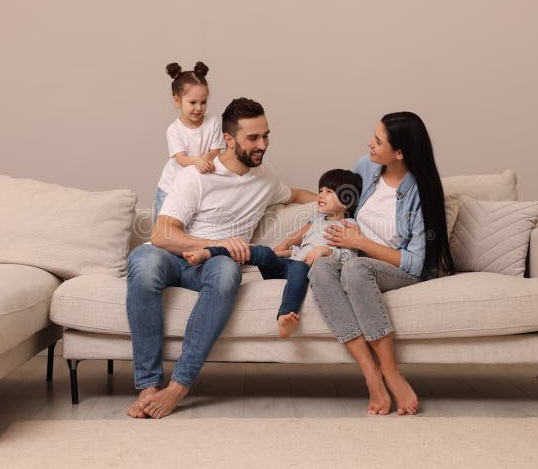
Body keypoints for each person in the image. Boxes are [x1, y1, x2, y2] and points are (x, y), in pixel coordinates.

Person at [126, 98, 316, 419]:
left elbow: (296, 195)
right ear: (228, 139)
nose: (263, 145)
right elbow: (162, 234)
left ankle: (178, 386)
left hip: (214, 265)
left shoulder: (264, 178)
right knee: (143, 262)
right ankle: (148, 386)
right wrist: (217, 243)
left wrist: (337, 204)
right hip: (175, 256)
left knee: (229, 272)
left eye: (266, 136)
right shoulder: (198, 175)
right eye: (253, 138)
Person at [309, 112, 455, 416]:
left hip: (396, 270)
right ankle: (370, 373)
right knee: (321, 268)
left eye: (377, 141)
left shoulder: (421, 192)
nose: (369, 144)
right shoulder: (366, 168)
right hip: (353, 257)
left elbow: (415, 263)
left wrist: (361, 243)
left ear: (399, 152)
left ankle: (392, 374)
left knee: (356, 268)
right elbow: (340, 201)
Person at [182, 168, 363, 338]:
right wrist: (286, 251)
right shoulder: (316, 221)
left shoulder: (349, 226)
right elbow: (300, 245)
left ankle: (284, 317)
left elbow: (350, 258)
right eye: (321, 190)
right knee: (263, 251)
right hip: (290, 264)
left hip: (305, 272)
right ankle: (208, 253)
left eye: (329, 192)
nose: (321, 195)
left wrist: (326, 250)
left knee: (299, 267)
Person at [155, 61, 224, 216]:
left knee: (187, 230)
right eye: (192, 102)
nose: (198, 108)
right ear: (177, 101)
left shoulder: (212, 123)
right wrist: (198, 161)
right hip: (170, 188)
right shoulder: (174, 130)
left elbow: (215, 150)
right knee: (164, 229)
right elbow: (181, 159)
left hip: (195, 186)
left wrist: (207, 157)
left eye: (203, 102)